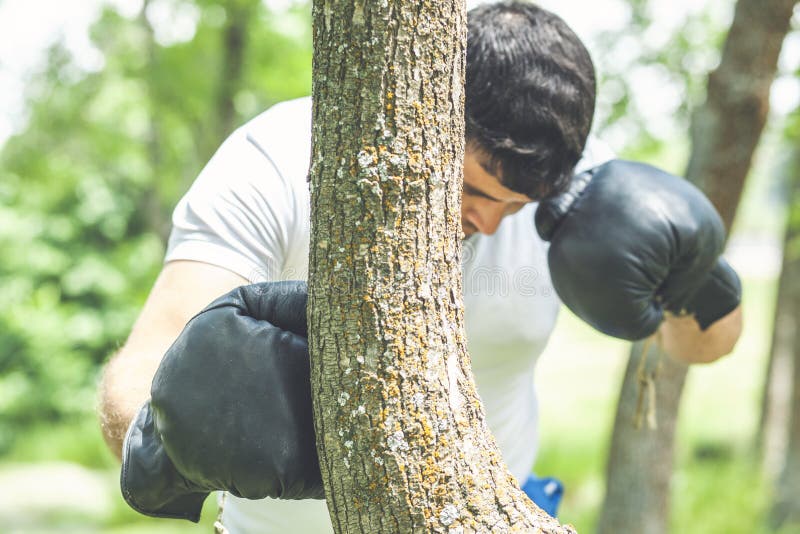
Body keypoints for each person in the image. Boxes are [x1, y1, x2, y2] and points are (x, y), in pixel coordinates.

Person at [99, 2, 743, 532]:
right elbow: (137, 374)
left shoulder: (573, 188)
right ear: (428, 115)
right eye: (477, 192)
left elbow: (706, 345)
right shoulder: (274, 163)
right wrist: (187, 424)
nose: (491, 223)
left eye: (518, 207)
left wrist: (696, 281)